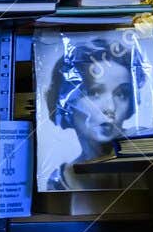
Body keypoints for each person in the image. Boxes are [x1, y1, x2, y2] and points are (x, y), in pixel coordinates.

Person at [43, 37, 141, 190]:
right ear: (67, 102)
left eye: (121, 94)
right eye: (94, 92)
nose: (110, 108)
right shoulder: (58, 182)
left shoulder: (145, 164)